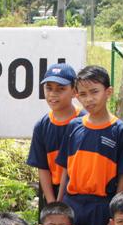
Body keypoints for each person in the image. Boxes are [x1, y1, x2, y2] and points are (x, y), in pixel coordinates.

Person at [56, 65, 123, 225]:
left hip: (102, 207)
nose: (89, 99)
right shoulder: (74, 126)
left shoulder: (120, 130)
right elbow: (66, 170)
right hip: (72, 202)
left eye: (94, 92)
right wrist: (58, 206)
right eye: (83, 94)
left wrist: (115, 218)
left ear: (108, 92)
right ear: (76, 95)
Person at [26, 63, 85, 207]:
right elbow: (43, 167)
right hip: (51, 191)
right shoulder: (41, 126)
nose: (53, 94)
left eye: (61, 89)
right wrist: (51, 202)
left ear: (74, 91)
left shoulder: (84, 122)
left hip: (79, 193)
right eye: (49, 88)